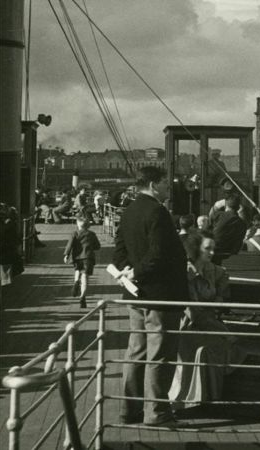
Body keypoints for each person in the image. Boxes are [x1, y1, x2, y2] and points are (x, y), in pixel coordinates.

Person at [113, 166, 189, 427]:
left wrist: (128, 271)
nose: (169, 187)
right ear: (154, 185)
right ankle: (156, 412)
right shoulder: (158, 211)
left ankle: (129, 410)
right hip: (161, 296)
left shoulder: (129, 211)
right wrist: (138, 272)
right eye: (166, 182)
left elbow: (119, 249)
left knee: (136, 352)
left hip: (136, 296)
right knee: (160, 355)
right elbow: (159, 254)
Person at [169, 230, 241, 409]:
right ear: (196, 249)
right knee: (210, 345)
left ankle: (207, 394)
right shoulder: (184, 273)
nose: (212, 253)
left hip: (207, 321)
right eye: (207, 249)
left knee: (225, 344)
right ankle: (187, 397)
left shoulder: (213, 271)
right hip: (188, 324)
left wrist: (220, 296)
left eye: (213, 249)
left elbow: (222, 294)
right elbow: (192, 311)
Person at [63, 215, 101, 308]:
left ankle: (76, 281)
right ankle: (82, 297)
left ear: (77, 224)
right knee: (85, 278)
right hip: (88, 257)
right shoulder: (91, 234)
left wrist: (66, 254)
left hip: (77, 257)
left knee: (77, 270)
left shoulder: (74, 233)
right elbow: (97, 246)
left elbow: (69, 245)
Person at [211, 195, 247, 264]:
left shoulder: (218, 215)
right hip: (230, 257)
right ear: (239, 207)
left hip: (214, 252)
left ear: (226, 206)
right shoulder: (242, 223)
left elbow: (210, 219)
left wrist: (216, 206)